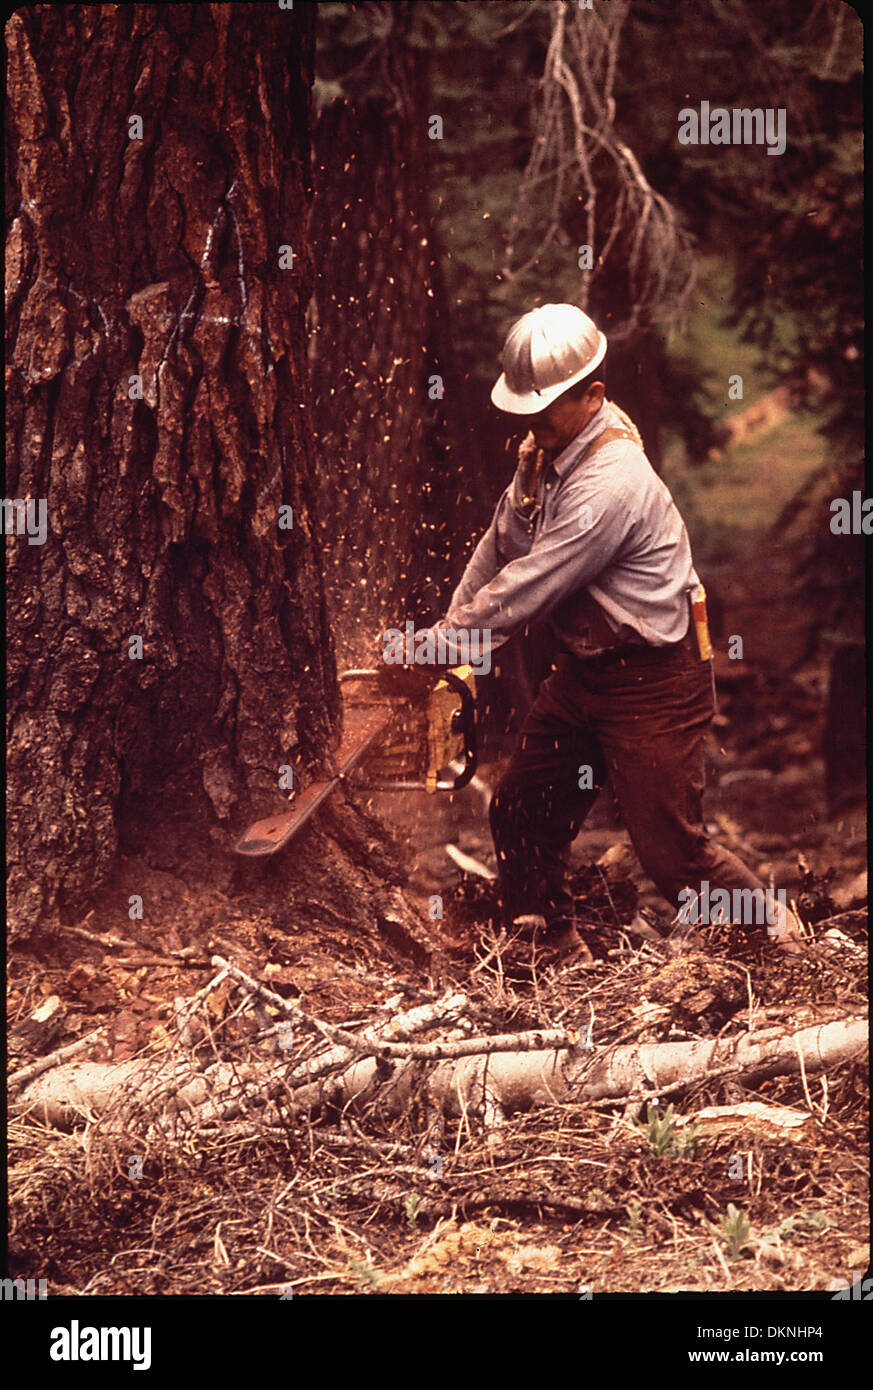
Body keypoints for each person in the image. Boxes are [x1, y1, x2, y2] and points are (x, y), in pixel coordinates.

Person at [402, 304, 804, 957]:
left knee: (673, 857)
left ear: (594, 394)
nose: (532, 422)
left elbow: (530, 587)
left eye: (549, 406)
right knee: (520, 806)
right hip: (586, 671)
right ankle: (548, 941)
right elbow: (498, 547)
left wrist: (440, 648)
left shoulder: (610, 484)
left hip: (654, 678)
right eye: (526, 409)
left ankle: (779, 939)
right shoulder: (544, 450)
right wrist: (448, 633)